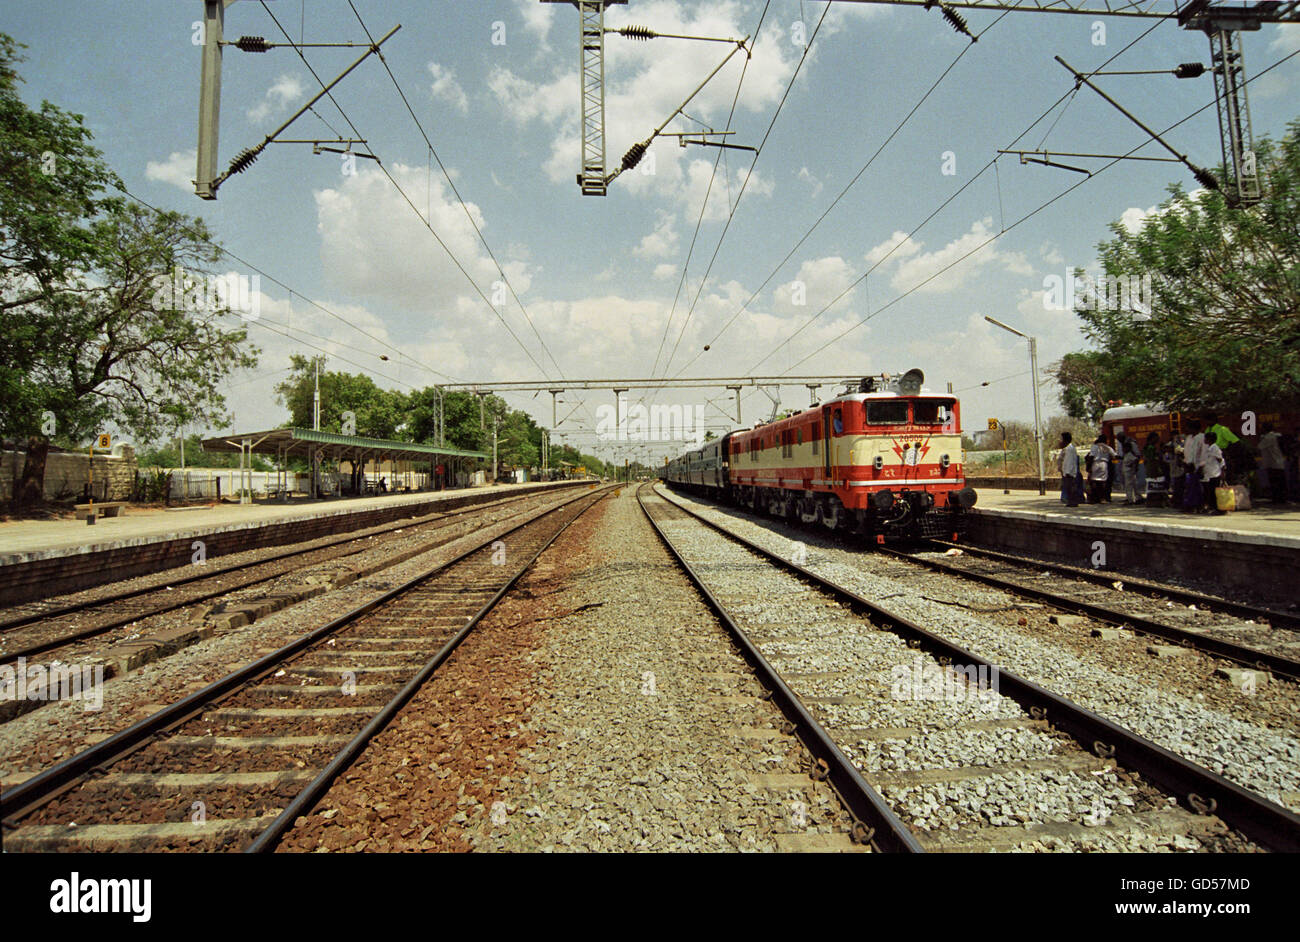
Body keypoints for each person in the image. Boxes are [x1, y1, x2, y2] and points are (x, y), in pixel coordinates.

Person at [1259, 423, 1287, 504]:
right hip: (1279, 462)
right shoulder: (1276, 436)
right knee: (1280, 481)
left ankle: (1277, 499)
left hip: (1273, 463)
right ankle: (1281, 498)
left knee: (1274, 482)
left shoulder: (1268, 437)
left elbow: (1259, 446)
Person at [1201, 430, 1226, 514]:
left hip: (1215, 473)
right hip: (1210, 473)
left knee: (1215, 492)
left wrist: (1223, 472)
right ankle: (1212, 508)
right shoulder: (1209, 448)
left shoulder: (1215, 448)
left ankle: (1219, 509)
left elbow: (1221, 460)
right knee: (1210, 492)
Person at [1087, 435, 1114, 504]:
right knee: (1103, 482)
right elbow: (1114, 455)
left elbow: (1091, 456)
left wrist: (1088, 466)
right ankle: (1102, 498)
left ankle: (1093, 498)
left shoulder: (1095, 446)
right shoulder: (1107, 448)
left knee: (1094, 481)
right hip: (1104, 464)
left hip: (1095, 464)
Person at [1058, 432, 1080, 507]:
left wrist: (1067, 472)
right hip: (1067, 471)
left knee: (1071, 487)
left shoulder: (1070, 449)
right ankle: (1071, 501)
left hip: (1069, 472)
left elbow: (1069, 461)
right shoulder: (1067, 449)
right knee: (1069, 487)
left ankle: (1073, 501)